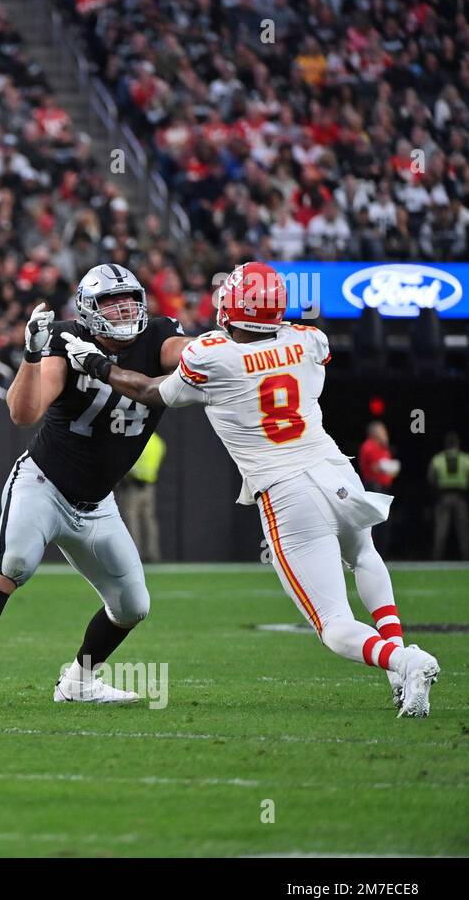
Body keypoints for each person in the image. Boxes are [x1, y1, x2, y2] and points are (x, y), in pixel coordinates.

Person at [61, 261, 441, 717]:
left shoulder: (210, 356)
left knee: (334, 625)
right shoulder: (307, 340)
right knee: (364, 556)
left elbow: (146, 391)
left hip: (288, 490)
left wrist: (96, 364)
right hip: (337, 471)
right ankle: (398, 667)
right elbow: (295, 357)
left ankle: (404, 660)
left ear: (230, 307)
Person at [0, 263, 191, 708]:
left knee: (132, 606)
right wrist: (31, 356)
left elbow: (194, 357)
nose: (124, 309)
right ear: (89, 308)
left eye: (129, 299)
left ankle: (78, 683)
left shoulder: (159, 334)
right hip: (45, 483)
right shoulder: (68, 338)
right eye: (111, 301)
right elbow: (23, 414)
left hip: (98, 503)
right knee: (15, 565)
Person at [117, 432, 166, 563]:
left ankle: (134, 553)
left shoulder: (138, 439)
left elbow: (129, 462)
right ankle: (152, 553)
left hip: (133, 485)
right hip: (149, 485)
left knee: (132, 519)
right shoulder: (158, 442)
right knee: (149, 520)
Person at [358, 421, 400, 554]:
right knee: (375, 524)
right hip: (373, 488)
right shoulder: (369, 446)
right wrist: (386, 467)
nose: (385, 434)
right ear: (375, 432)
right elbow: (375, 467)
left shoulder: (383, 448)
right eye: (383, 431)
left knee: (385, 523)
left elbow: (390, 471)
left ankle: (382, 553)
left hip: (383, 488)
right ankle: (373, 552)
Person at [428, 432, 469, 560]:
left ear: (445, 445)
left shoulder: (437, 459)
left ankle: (436, 558)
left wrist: (436, 493)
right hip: (460, 497)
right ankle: (466, 557)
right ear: (457, 444)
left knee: (441, 530)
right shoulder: (465, 459)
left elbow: (431, 478)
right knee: (463, 530)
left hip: (443, 497)